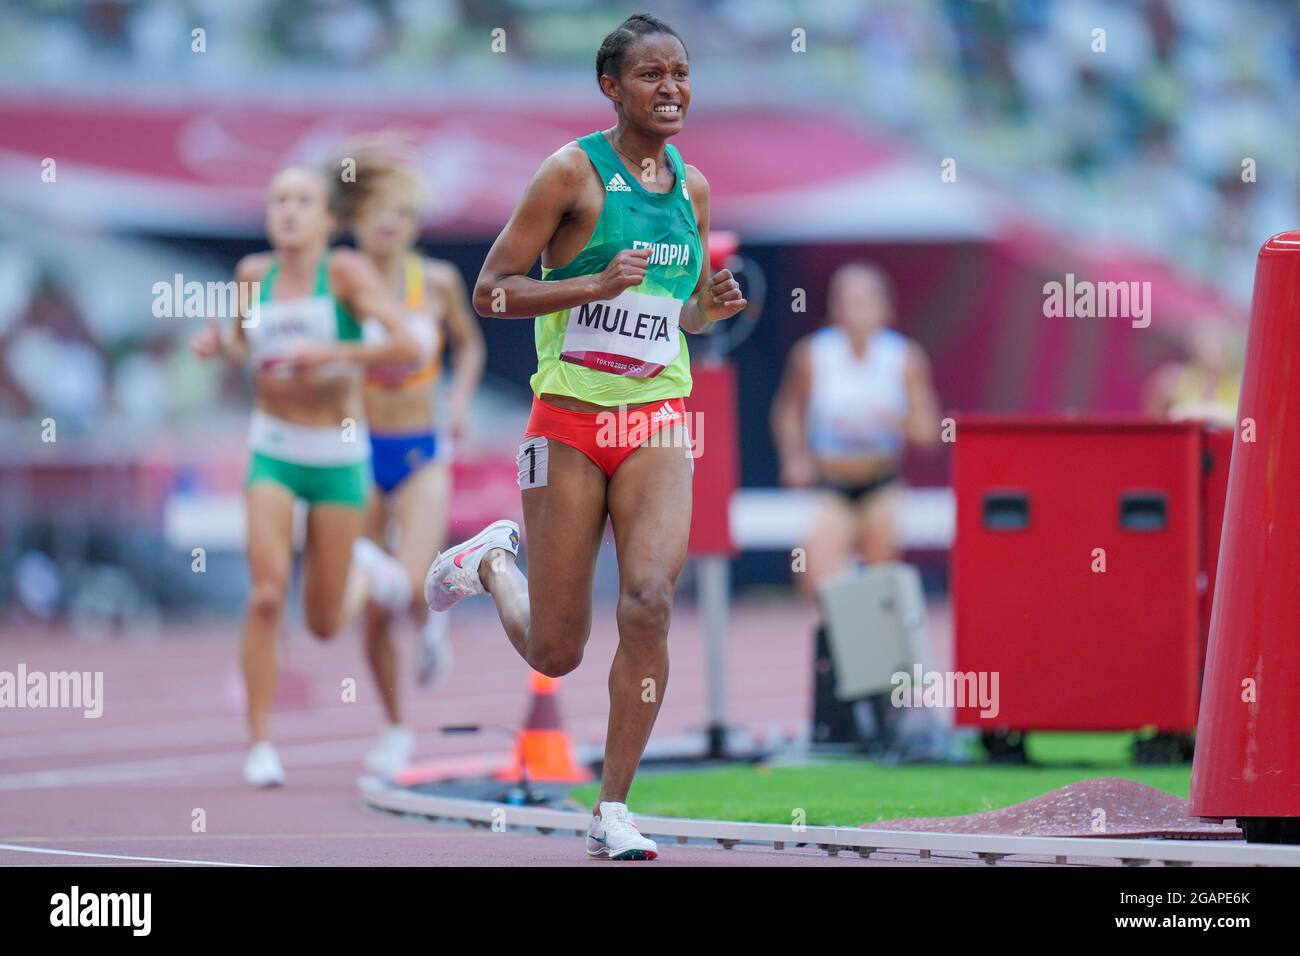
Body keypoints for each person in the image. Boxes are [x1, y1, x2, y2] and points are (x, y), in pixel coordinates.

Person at [423, 13, 746, 860]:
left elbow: (674, 316)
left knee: (649, 602)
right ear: (612, 86)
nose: (670, 88)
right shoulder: (570, 174)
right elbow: (490, 291)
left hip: (657, 420)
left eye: (681, 73)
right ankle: (492, 563)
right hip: (565, 423)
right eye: (650, 75)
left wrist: (703, 312)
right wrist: (589, 284)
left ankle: (612, 808)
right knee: (557, 650)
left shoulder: (693, 188)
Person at [192, 165, 417, 787]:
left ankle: (367, 572)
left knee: (322, 624)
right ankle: (260, 744)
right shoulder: (250, 275)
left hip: (338, 454)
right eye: (278, 200)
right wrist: (219, 345)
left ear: (326, 219)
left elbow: (406, 346)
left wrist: (334, 354)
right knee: (266, 594)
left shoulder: (344, 273)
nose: (288, 211)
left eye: (302, 201)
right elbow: (245, 347)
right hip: (273, 449)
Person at [327, 141, 486, 777]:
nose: (388, 225)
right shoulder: (339, 281)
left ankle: (431, 620)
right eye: (375, 213)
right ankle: (394, 726)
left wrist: (460, 399)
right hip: (357, 448)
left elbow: (470, 349)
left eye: (400, 213)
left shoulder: (438, 282)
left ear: (415, 221)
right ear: (355, 220)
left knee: (411, 576)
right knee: (372, 603)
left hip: (422, 448)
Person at [770, 261, 940, 746]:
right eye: (846, 300)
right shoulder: (814, 355)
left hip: (881, 484)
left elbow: (930, 431)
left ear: (884, 308)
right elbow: (787, 409)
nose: (856, 310)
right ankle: (849, 682)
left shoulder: (902, 358)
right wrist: (795, 457)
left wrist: (901, 418)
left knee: (880, 584)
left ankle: (887, 700)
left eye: (866, 300)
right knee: (818, 577)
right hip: (833, 486)